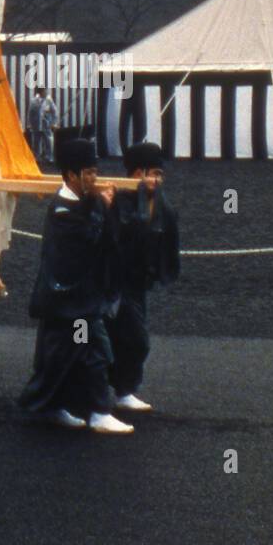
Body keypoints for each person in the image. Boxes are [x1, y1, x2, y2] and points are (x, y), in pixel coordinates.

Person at [16, 139, 131, 434]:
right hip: (68, 302)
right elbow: (89, 239)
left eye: (95, 172)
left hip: (75, 303)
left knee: (70, 357)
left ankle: (62, 407)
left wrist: (102, 206)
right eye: (88, 173)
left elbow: (106, 237)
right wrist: (103, 206)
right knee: (91, 351)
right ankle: (97, 412)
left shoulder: (80, 203)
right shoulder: (61, 211)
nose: (93, 178)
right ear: (70, 175)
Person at [105, 141, 180, 413]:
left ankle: (122, 389)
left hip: (138, 282)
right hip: (114, 281)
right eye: (151, 173)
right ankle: (118, 389)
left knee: (124, 337)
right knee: (137, 340)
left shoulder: (162, 205)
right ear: (136, 174)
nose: (156, 180)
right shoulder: (118, 201)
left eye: (160, 174)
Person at [38, 93, 60, 162]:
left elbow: (54, 112)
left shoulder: (48, 99)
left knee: (49, 141)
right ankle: (41, 156)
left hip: (47, 124)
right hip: (38, 124)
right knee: (39, 141)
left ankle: (50, 157)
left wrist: (54, 123)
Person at [27, 90, 45, 159]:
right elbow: (30, 113)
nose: (45, 93)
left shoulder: (46, 101)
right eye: (44, 92)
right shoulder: (33, 101)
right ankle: (36, 156)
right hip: (36, 124)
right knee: (36, 141)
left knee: (45, 141)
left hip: (44, 125)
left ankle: (44, 156)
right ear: (40, 93)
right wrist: (29, 124)